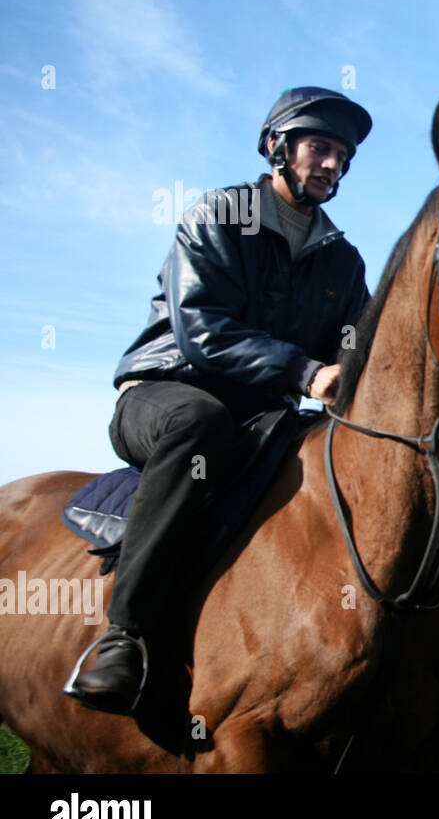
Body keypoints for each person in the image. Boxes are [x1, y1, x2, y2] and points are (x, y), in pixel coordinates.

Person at [64, 87, 373, 715]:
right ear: (276, 147)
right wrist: (307, 371)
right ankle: (123, 639)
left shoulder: (344, 258)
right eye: (320, 148)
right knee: (200, 421)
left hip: (262, 411)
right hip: (166, 393)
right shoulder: (217, 214)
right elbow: (202, 330)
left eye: (343, 155)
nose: (332, 165)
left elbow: (359, 345)